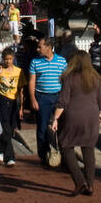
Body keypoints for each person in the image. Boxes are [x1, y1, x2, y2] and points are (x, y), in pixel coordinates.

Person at [52, 51, 101, 196]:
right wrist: (99, 112)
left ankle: (79, 180)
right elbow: (100, 100)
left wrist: (55, 119)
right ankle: (91, 184)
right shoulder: (95, 77)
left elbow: (63, 101)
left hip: (73, 116)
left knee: (66, 146)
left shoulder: (70, 78)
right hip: (92, 116)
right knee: (88, 149)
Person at [28, 35, 68, 163]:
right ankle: (44, 156)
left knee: (61, 127)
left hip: (58, 97)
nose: (38, 49)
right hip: (42, 97)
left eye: (40, 47)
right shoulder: (35, 62)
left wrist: (65, 98)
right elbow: (31, 81)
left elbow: (66, 81)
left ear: (49, 47)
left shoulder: (61, 61)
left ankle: (64, 155)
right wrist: (33, 99)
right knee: (42, 128)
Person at [0, 48, 24, 165]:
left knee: (11, 129)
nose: (8, 61)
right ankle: (10, 157)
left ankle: (0, 147)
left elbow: (21, 89)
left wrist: (21, 106)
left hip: (13, 102)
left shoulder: (18, 71)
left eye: (10, 59)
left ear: (13, 59)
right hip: (1, 100)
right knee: (6, 128)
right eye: (6, 59)